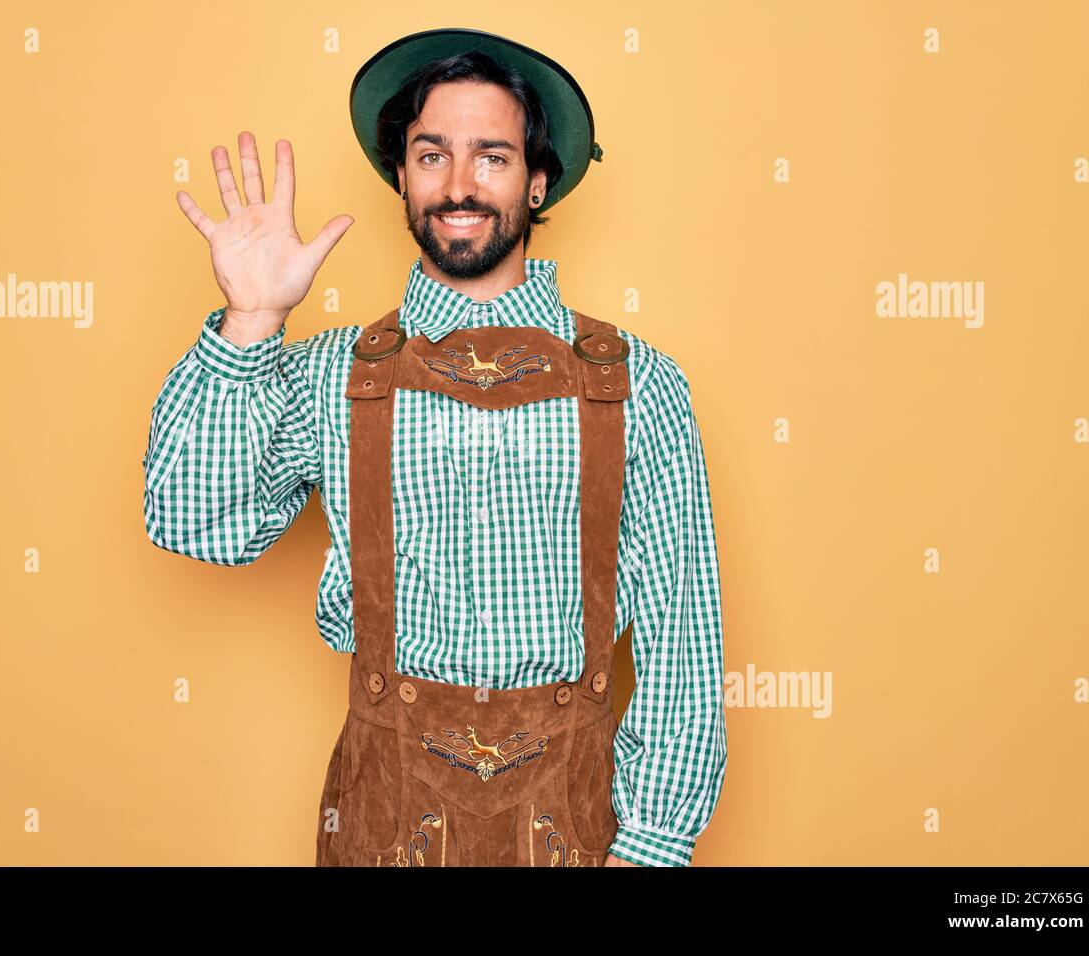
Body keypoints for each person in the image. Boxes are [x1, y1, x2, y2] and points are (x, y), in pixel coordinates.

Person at [143, 28, 726, 867]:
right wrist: (252, 321)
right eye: (431, 155)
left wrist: (652, 847)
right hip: (382, 821)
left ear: (537, 180)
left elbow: (684, 650)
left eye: (492, 156)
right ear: (402, 179)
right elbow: (197, 526)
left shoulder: (642, 385)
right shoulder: (329, 374)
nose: (459, 185)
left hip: (579, 826)